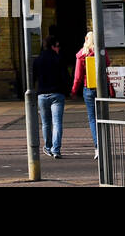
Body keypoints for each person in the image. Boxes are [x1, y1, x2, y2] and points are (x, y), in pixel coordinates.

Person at [33, 36, 70, 158]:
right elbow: (65, 77)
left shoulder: (37, 60)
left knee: (45, 123)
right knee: (57, 122)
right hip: (57, 94)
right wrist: (68, 91)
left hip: (42, 95)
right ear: (53, 46)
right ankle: (56, 149)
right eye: (57, 46)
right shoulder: (59, 59)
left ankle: (48, 147)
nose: (59, 48)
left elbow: (33, 77)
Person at [70, 31, 100, 159]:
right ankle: (104, 144)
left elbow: (77, 76)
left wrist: (73, 91)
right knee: (103, 117)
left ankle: (98, 147)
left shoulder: (82, 54)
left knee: (93, 119)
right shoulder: (101, 52)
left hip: (88, 88)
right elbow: (108, 63)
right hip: (101, 88)